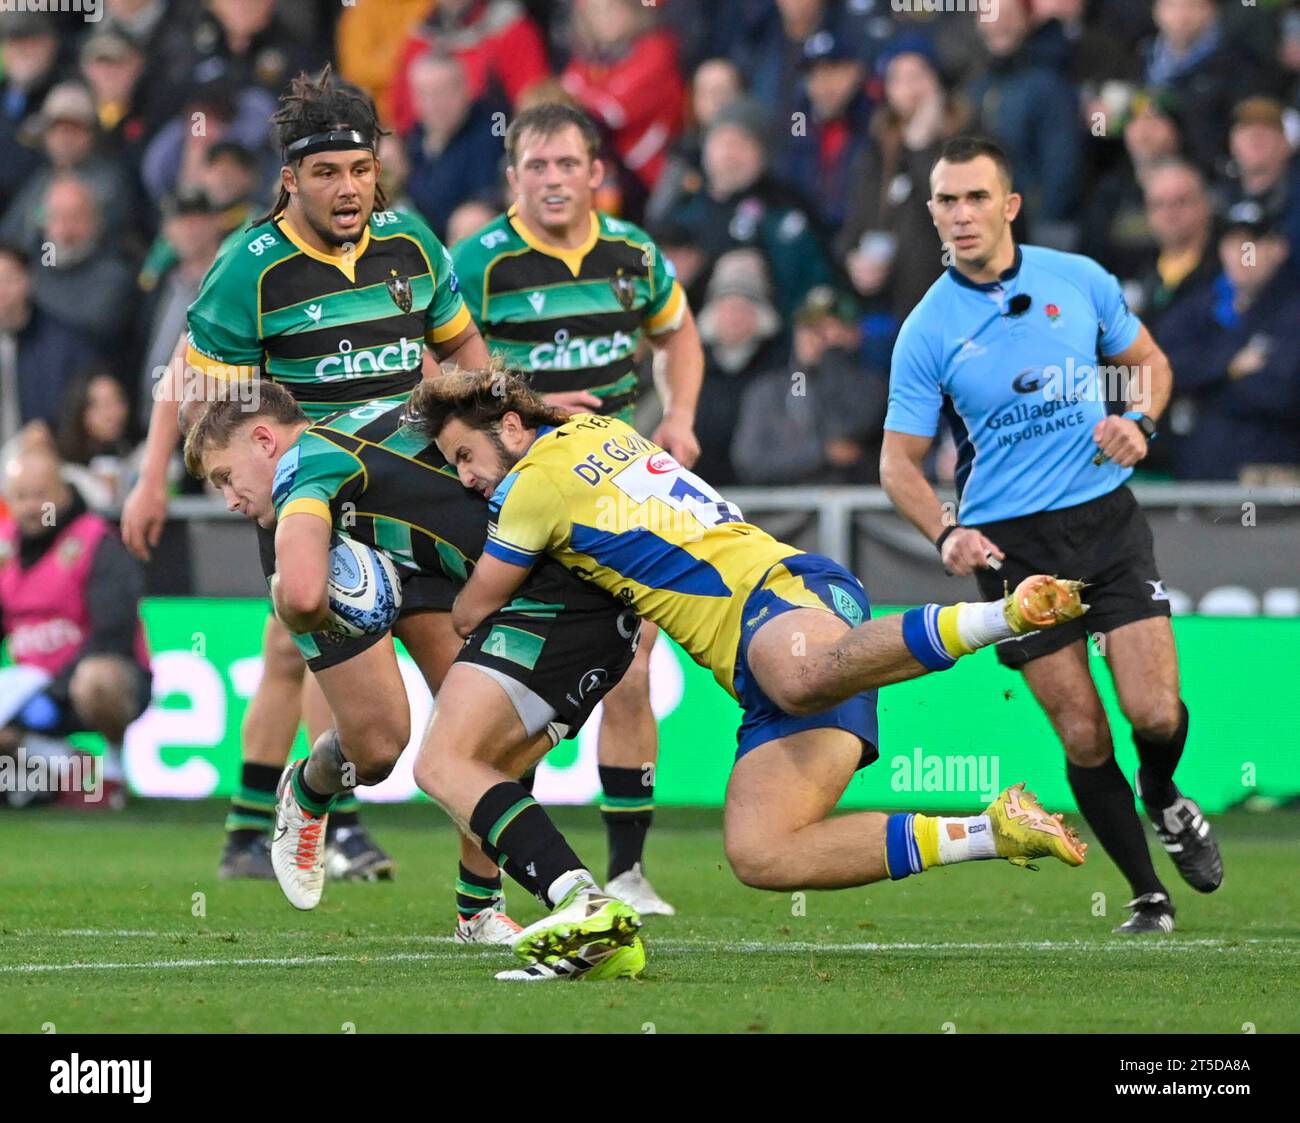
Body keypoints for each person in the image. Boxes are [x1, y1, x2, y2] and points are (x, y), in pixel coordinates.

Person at [403, 365, 1091, 976]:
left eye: (464, 454)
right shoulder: (595, 428)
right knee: (763, 852)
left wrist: (398, 579)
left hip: (778, 594)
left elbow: (472, 611)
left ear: (514, 426)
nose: (466, 476)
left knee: (803, 674)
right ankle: (991, 830)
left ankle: (1004, 615)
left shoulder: (532, 483)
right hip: (764, 652)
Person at [120, 65, 489, 885]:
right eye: (326, 172)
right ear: (289, 179)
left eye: (361, 169)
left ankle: (478, 905)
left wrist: (483, 436)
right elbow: (206, 401)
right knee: (376, 738)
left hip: (417, 511)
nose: (349, 187)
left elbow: (462, 347)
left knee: (478, 710)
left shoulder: (413, 243)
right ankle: (309, 807)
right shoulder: (248, 268)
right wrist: (168, 476)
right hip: (315, 515)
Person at [879, 136, 1222, 935]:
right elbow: (897, 464)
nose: (960, 215)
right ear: (931, 211)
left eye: (974, 198)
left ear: (1010, 205)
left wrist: (1139, 422)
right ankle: (1148, 894)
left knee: (1155, 713)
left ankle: (1165, 796)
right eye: (945, 201)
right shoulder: (927, 329)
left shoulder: (1080, 278)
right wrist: (945, 531)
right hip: (1009, 548)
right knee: (1080, 727)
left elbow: (1151, 364)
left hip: (1104, 519)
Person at [183, 385, 644, 975]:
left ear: (265, 440)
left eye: (225, 477)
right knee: (377, 752)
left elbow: (458, 386)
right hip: (340, 548)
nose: (227, 500)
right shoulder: (317, 460)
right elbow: (301, 595)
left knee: (480, 739)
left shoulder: (311, 455)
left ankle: (479, 910)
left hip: (426, 559)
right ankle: (308, 789)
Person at [451, 102, 705, 917]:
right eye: (536, 167)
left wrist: (681, 417)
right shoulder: (481, 262)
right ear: (512, 177)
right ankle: (488, 889)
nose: (553, 180)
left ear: (597, 172)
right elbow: (442, 371)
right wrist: (527, 399)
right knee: (509, 685)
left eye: (568, 165)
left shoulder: (632, 254)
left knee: (633, 674)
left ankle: (627, 871)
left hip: (616, 494)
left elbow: (681, 336)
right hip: (517, 499)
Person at [0, 442, 152, 810]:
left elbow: (112, 633)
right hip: (26, 688)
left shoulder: (96, 541)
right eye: (20, 497)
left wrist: (53, 692)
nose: (31, 507)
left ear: (62, 492)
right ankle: (59, 763)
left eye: (40, 495)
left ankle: (112, 768)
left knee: (98, 678)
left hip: (93, 683)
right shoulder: (5, 549)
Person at [1156, 211, 1300, 480]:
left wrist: (1198, 391)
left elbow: (1282, 394)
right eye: (1232, 243)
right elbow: (1161, 368)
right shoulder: (1201, 303)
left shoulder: (1292, 310)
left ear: (1278, 249)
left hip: (1269, 480)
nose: (1240, 254)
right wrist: (1229, 366)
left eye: (1251, 243)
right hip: (1195, 477)